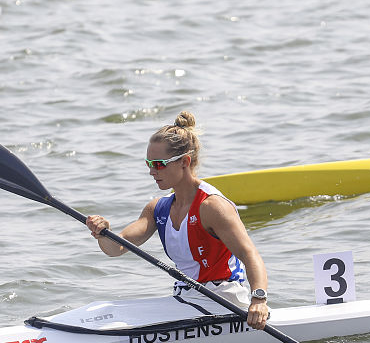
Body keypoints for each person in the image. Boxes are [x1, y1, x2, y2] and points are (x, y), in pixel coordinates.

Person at [85, 111, 271, 329]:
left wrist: (259, 300)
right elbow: (116, 247)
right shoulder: (158, 208)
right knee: (107, 314)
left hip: (225, 300)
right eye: (148, 164)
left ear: (184, 161)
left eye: (159, 164)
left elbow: (250, 254)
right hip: (187, 298)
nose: (152, 171)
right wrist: (102, 232)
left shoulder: (212, 207)